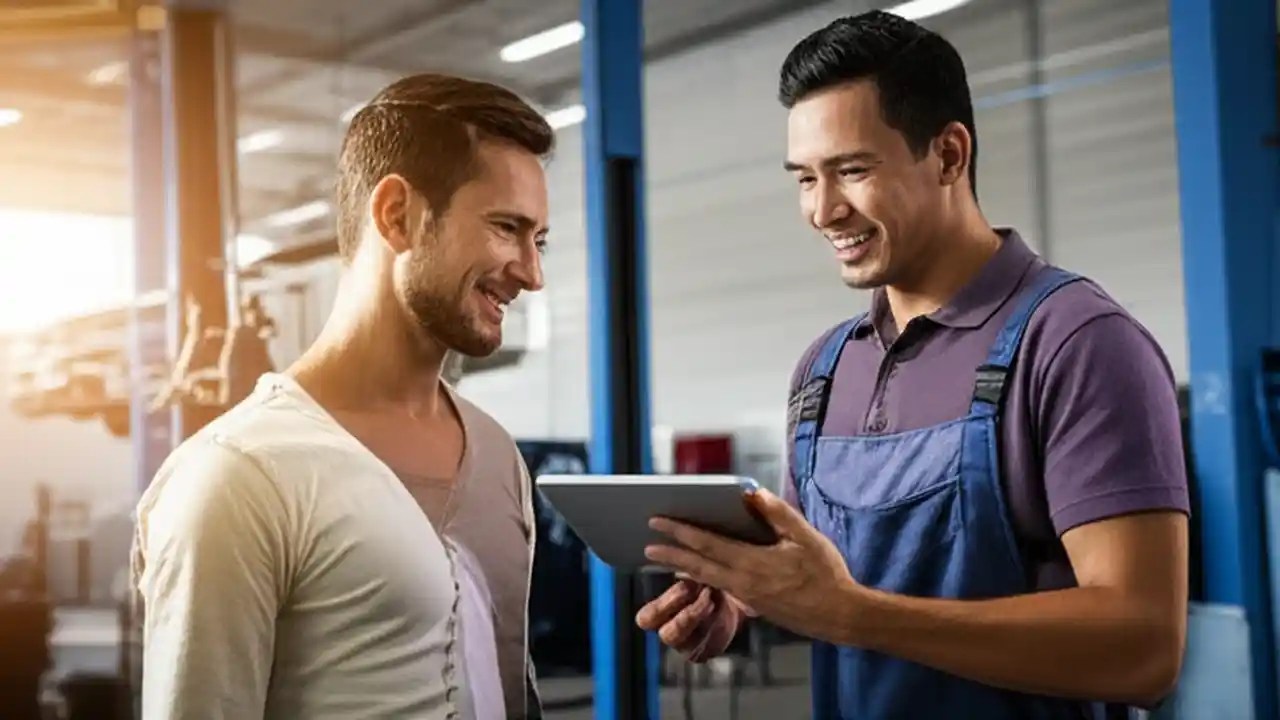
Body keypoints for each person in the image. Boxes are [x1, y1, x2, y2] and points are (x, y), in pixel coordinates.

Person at [637, 11, 1189, 719]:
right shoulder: (824, 370)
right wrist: (741, 599)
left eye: (853, 170)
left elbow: (1142, 648)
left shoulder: (1079, 344)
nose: (823, 211)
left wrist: (853, 615)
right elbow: (823, 573)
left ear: (950, 156)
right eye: (805, 178)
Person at [131, 73, 554, 719]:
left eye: (539, 240)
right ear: (398, 215)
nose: (532, 272)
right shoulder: (239, 476)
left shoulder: (497, 454)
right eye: (506, 228)